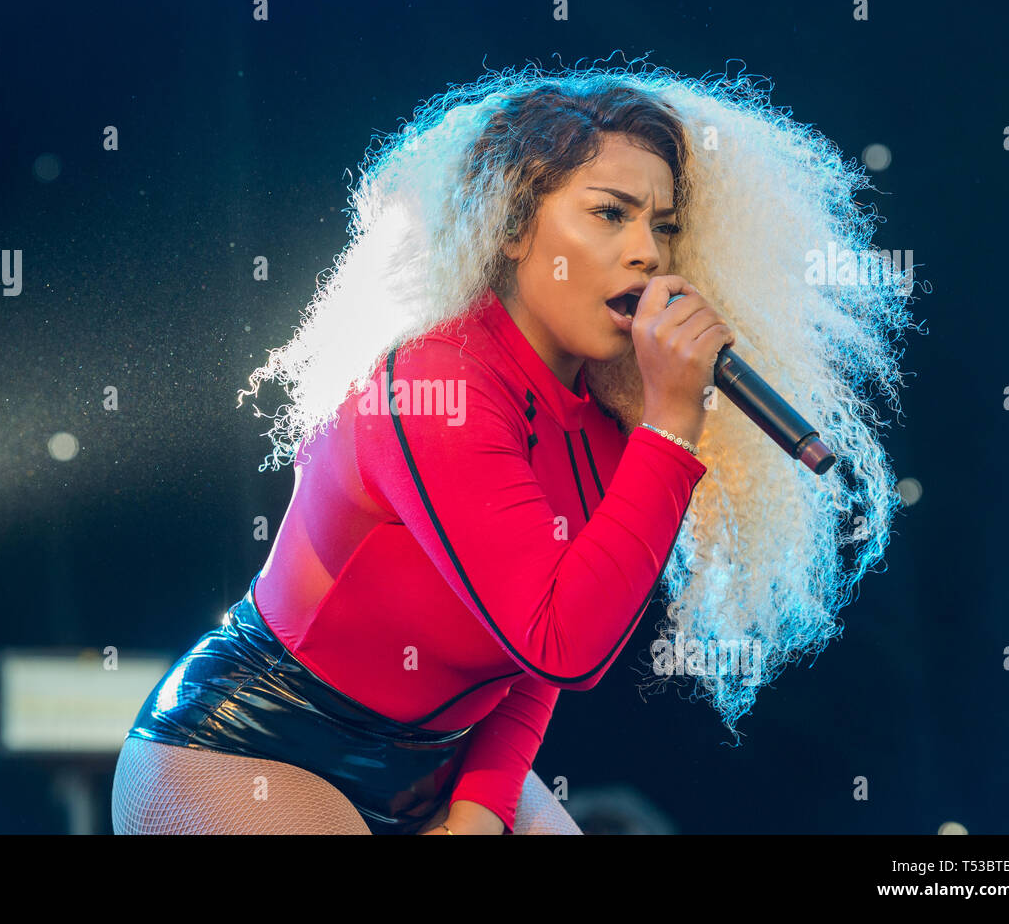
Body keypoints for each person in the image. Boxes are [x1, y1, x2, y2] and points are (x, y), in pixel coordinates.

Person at [111, 61, 910, 835]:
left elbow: (531, 666)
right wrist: (672, 422)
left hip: (439, 768)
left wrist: (477, 815)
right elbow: (558, 639)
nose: (648, 253)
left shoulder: (602, 426)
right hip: (251, 745)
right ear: (516, 222)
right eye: (610, 213)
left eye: (662, 226)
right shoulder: (436, 383)